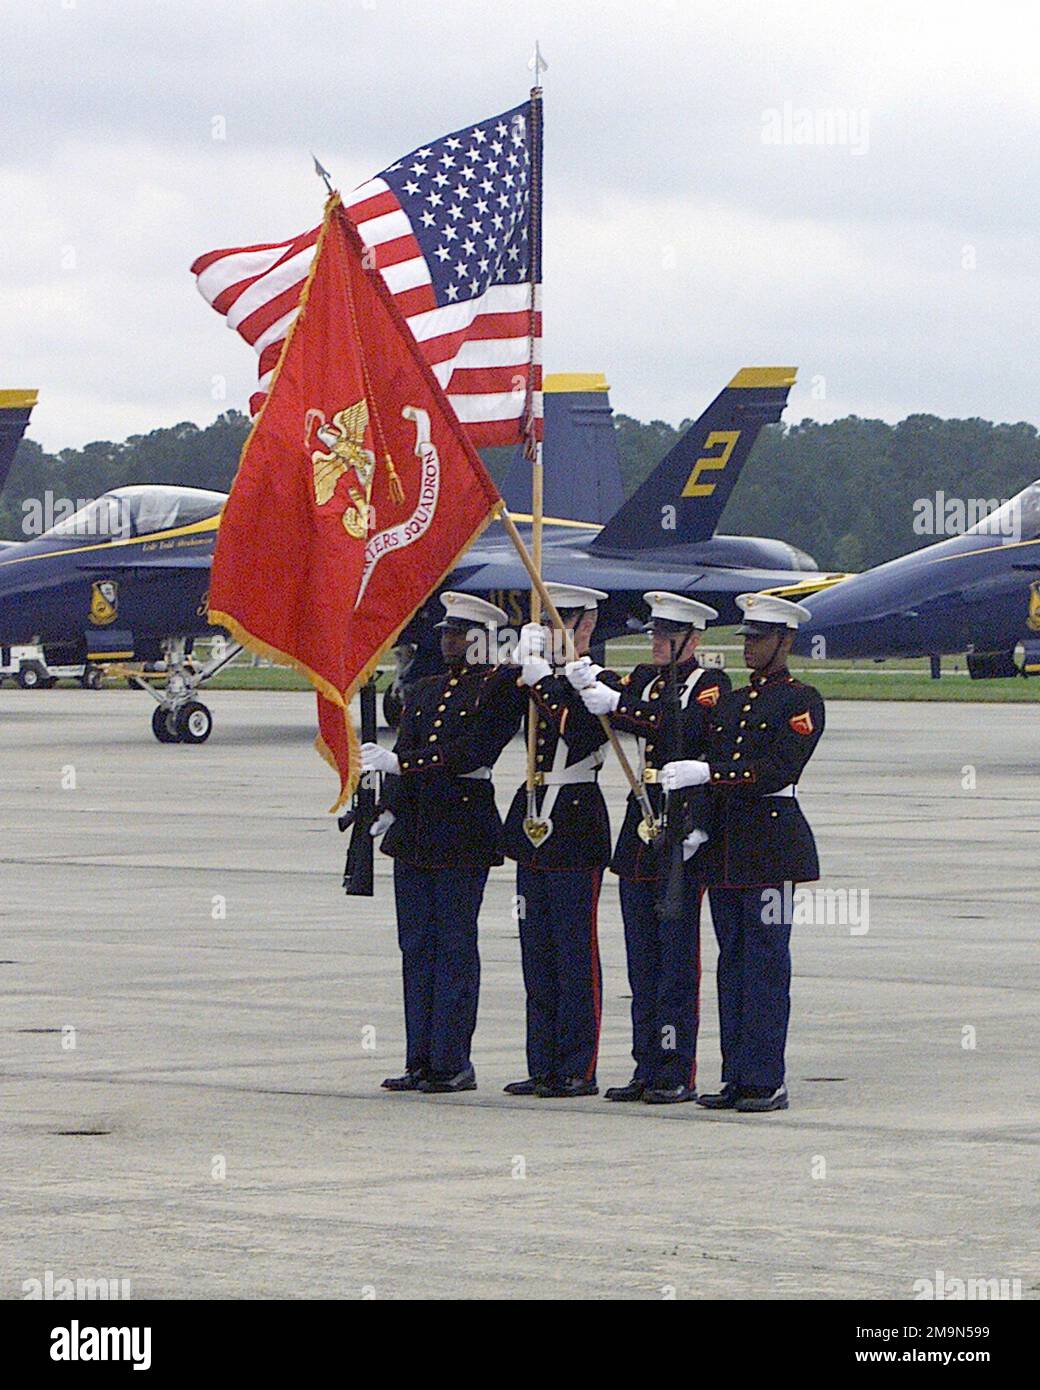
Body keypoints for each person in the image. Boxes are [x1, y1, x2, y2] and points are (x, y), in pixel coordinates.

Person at [659, 592, 825, 1113]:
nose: (749, 647)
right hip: (728, 848)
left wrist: (709, 774)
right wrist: (698, 821)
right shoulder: (731, 702)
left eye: (759, 638)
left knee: (766, 965)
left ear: (786, 641)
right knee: (732, 965)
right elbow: (705, 753)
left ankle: (765, 1078)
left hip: (771, 847)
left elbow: (777, 771)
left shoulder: (802, 700)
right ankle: (736, 1075)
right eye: (747, 637)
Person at [569, 592, 730, 1103]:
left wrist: (619, 706)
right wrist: (577, 668)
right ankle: (645, 1065)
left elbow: (680, 724)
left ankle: (674, 1070)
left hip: (683, 826)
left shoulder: (710, 685)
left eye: (666, 635)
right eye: (654, 634)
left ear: (692, 639)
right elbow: (609, 695)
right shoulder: (644, 678)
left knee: (675, 964)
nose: (657, 642)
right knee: (641, 961)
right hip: (641, 823)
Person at [362, 592, 518, 1094]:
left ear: (483, 640)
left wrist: (402, 765)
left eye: (460, 634)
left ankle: (453, 1060)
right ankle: (420, 1058)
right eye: (447, 633)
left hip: (461, 830)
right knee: (417, 947)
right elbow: (407, 749)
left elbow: (471, 751)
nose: (450, 642)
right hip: (416, 831)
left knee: (453, 946)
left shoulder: (496, 689)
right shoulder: (425, 690)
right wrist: (388, 803)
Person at [501, 584, 611, 1099]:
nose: (551, 630)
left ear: (586, 626)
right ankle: (542, 1061)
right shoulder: (538, 676)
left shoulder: (595, 681)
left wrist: (543, 680)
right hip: (531, 821)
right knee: (536, 953)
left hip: (574, 820)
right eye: (546, 621)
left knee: (573, 952)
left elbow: (578, 734)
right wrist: (516, 665)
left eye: (561, 621)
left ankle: (577, 1066)